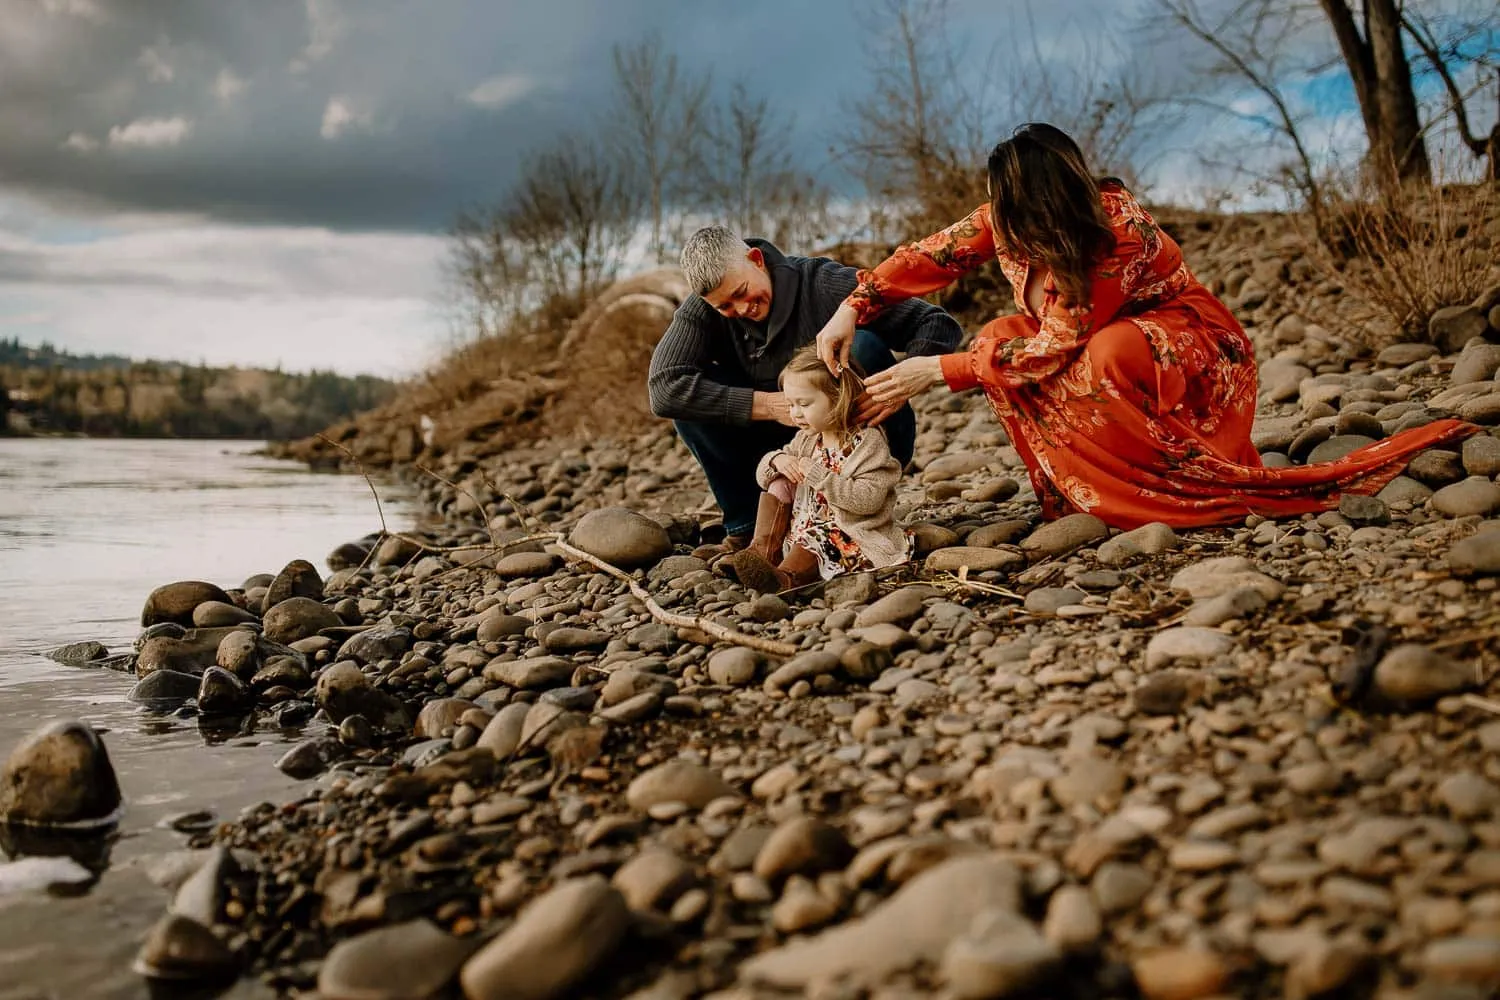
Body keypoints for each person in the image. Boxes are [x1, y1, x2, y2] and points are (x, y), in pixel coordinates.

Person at [815, 122, 1478, 530]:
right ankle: (1091, 495)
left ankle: (1165, 487)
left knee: (1095, 352)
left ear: (1044, 202)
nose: (996, 217)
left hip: (1182, 343)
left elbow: (1057, 346)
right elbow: (930, 256)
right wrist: (853, 308)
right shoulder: (1004, 218)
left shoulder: (1114, 233)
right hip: (1084, 344)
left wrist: (935, 369)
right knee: (996, 337)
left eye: (1007, 204)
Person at [649, 225, 962, 555]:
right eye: (725, 306)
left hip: (856, 443)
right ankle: (746, 527)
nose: (740, 310)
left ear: (756, 260)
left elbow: (936, 323)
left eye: (741, 292)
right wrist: (769, 405)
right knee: (689, 401)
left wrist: (898, 387)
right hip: (784, 448)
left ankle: (855, 515)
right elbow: (663, 388)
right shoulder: (702, 310)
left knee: (865, 346)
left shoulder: (825, 284)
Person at [725, 346, 911, 593]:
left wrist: (819, 475)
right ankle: (762, 553)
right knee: (780, 480)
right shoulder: (807, 439)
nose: (795, 413)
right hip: (801, 532)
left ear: (838, 398)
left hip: (845, 536)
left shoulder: (867, 443)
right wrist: (777, 460)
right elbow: (763, 478)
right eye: (791, 404)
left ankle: (786, 580)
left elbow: (868, 501)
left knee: (816, 539)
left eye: (803, 404)